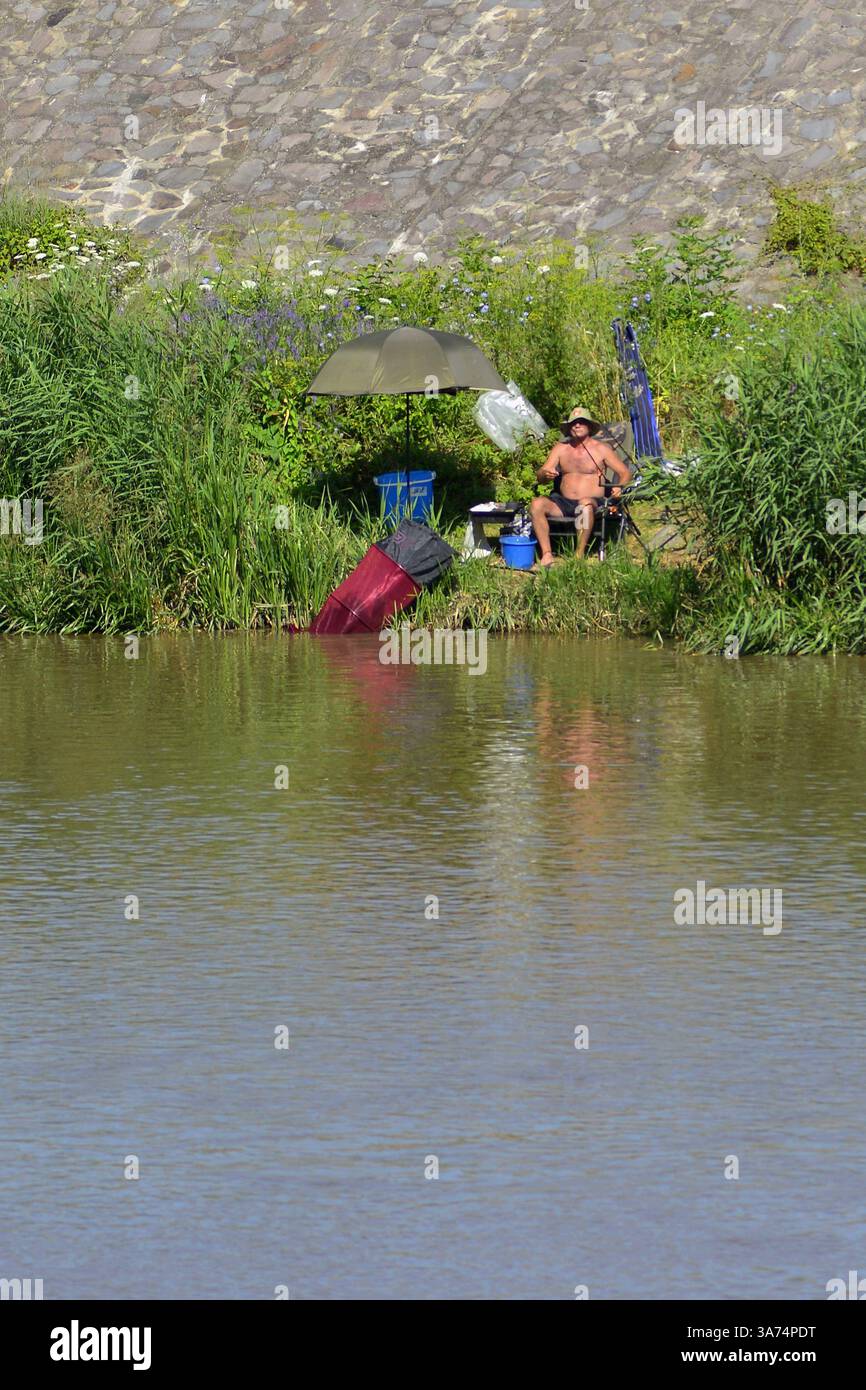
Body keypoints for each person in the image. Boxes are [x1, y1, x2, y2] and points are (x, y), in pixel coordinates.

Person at [531, 407, 631, 565]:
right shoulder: (560, 448)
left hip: (591, 502)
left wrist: (619, 486)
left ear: (589, 426)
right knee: (537, 504)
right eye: (573, 423)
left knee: (584, 504)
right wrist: (545, 475)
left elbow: (625, 472)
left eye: (581, 422)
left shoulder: (601, 449)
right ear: (568, 427)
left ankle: (579, 555)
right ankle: (547, 553)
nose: (577, 425)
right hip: (562, 502)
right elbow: (541, 475)